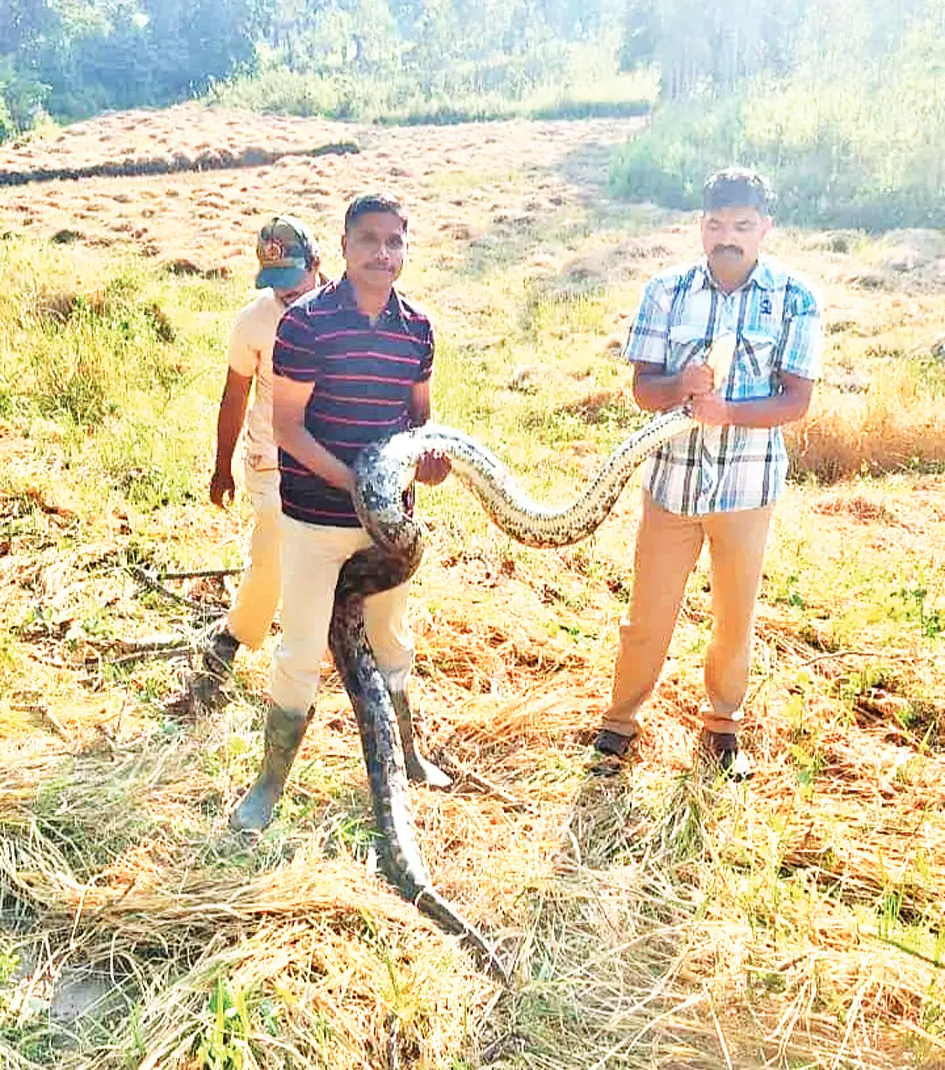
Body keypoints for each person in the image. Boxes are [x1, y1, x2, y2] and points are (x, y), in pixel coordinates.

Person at [230, 193, 450, 832]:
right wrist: (357, 483)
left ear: (405, 249)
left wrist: (428, 455)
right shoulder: (305, 326)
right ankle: (269, 785)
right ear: (345, 247)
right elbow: (288, 429)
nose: (382, 253)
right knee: (300, 649)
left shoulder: (418, 330)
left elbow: (419, 416)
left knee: (391, 641)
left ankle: (408, 756)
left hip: (388, 527)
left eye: (394, 242)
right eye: (369, 241)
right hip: (313, 518)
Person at [593, 167, 823, 774]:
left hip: (748, 488)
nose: (729, 237)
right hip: (673, 484)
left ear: (764, 229)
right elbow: (644, 389)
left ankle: (723, 724)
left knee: (734, 614)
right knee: (648, 613)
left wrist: (727, 411)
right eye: (717, 224)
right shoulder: (665, 291)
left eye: (743, 226)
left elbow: (796, 400)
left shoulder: (796, 298)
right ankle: (621, 720)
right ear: (702, 227)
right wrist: (681, 386)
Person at [187, 216, 326, 709]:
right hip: (270, 460)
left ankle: (326, 642)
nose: (285, 294)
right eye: (275, 284)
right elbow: (234, 395)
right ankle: (232, 638)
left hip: (329, 461)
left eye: (293, 281)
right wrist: (221, 466)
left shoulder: (343, 313)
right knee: (273, 540)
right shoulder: (254, 320)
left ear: (317, 265)